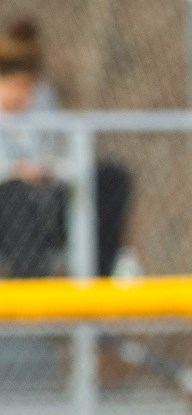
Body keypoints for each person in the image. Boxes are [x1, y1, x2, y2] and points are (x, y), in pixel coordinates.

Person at [0, 18, 131, 278]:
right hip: (10, 211)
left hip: (47, 201)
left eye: (28, 87)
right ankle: (30, 281)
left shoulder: (44, 109)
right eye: (16, 86)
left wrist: (49, 170)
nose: (23, 96)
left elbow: (63, 156)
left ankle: (98, 273)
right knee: (15, 193)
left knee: (110, 176)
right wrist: (14, 171)